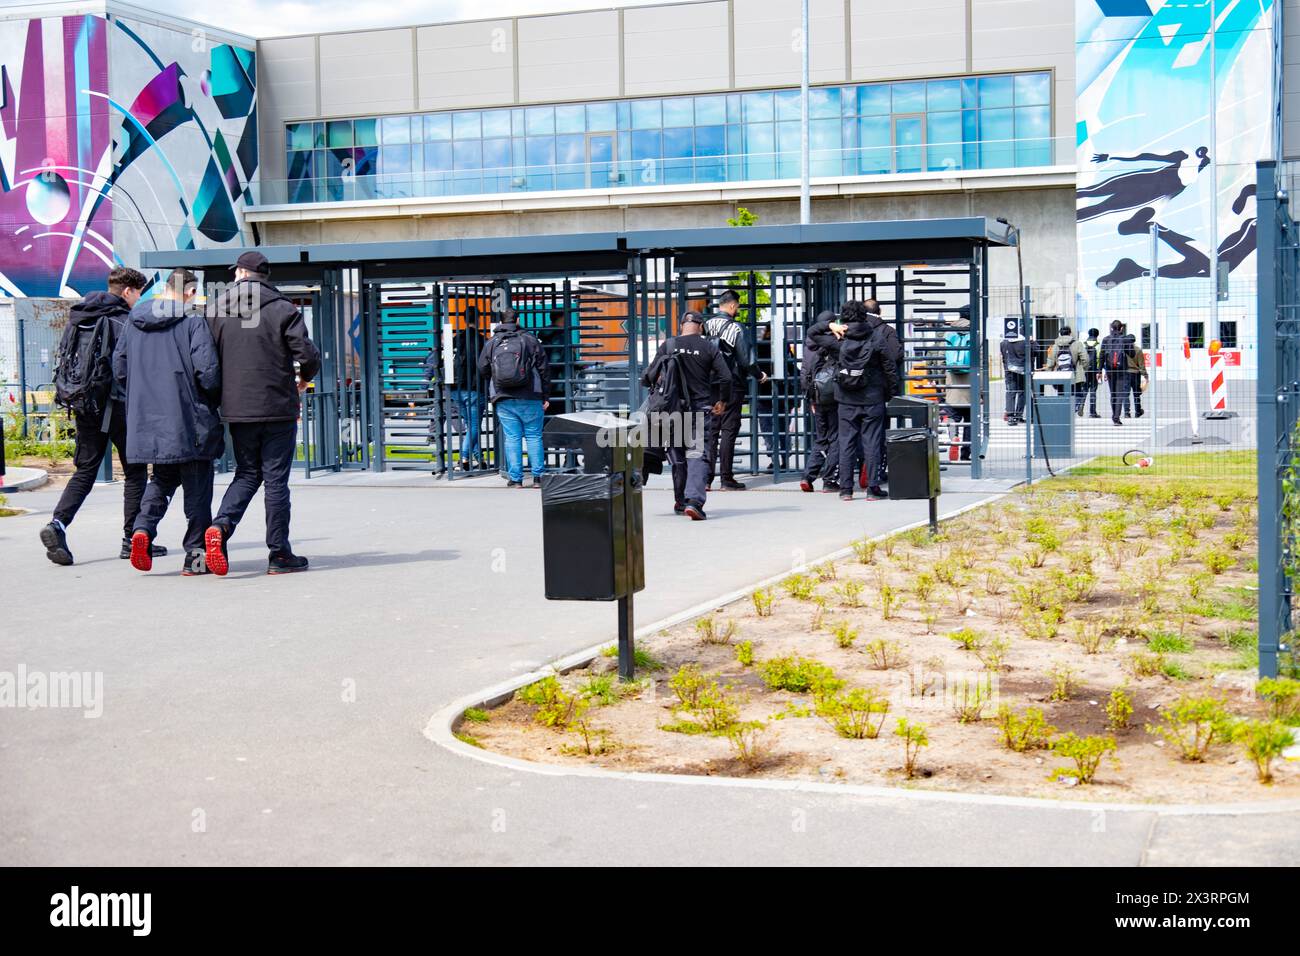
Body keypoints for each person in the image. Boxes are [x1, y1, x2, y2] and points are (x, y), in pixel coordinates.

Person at [204, 251, 321, 576]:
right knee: (275, 481)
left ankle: (221, 526)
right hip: (277, 407)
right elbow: (308, 355)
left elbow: (205, 361)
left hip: (237, 409)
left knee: (246, 473)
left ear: (242, 273)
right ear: (264, 276)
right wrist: (303, 379)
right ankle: (279, 554)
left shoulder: (215, 310)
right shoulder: (283, 308)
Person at [41, 267, 167, 566]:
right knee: (135, 472)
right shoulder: (124, 321)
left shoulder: (79, 318)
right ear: (127, 292)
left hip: (85, 405)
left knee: (85, 471)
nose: (139, 299)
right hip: (120, 406)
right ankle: (132, 540)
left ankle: (57, 524)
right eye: (138, 293)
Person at [112, 269, 223, 575]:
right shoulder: (192, 320)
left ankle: (142, 531)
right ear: (189, 292)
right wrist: (212, 401)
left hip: (150, 420)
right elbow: (208, 372)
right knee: (197, 489)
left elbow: (119, 368)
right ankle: (195, 559)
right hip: (190, 419)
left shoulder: (134, 321)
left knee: (161, 479)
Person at [641, 311, 731, 520]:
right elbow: (725, 377)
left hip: (671, 411)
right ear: (701, 326)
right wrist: (722, 401)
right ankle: (694, 502)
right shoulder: (709, 347)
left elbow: (648, 375)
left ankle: (681, 501)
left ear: (682, 325)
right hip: (698, 409)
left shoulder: (669, 345)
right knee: (697, 454)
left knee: (678, 456)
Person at [812, 300, 899, 502]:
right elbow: (890, 368)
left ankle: (846, 489)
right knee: (872, 443)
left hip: (845, 398)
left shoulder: (838, 339)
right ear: (864, 316)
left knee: (846, 442)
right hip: (873, 398)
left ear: (844, 316)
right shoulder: (876, 337)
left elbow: (812, 334)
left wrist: (829, 325)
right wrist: (890, 393)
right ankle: (872, 488)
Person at [703, 289, 767, 490]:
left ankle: (706, 479)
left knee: (712, 431)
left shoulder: (706, 325)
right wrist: (759, 375)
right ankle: (726, 478)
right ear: (732, 305)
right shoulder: (737, 328)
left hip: (709, 385)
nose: (737, 309)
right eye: (737, 306)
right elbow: (746, 359)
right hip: (731, 385)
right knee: (729, 430)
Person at [478, 307, 549, 488]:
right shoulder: (530, 340)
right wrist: (545, 395)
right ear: (517, 320)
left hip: (503, 397)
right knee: (534, 436)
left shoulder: (492, 342)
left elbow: (482, 368)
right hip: (530, 396)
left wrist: (497, 379)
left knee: (512, 438)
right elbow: (543, 368)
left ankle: (516, 479)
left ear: (501, 322)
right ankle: (538, 478)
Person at [799, 309, 840, 493]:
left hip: (816, 397)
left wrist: (810, 399)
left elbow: (804, 374)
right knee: (836, 438)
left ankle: (808, 476)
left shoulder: (808, 346)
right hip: (832, 397)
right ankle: (829, 479)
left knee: (821, 438)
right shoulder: (831, 344)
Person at [943, 307, 973, 463]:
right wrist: (980, 392)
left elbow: (941, 361)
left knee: (953, 417)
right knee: (970, 422)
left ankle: (953, 437)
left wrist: (942, 384)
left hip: (952, 385)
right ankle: (965, 452)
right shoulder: (975, 334)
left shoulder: (949, 333)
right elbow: (979, 366)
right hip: (969, 387)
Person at [1045, 324, 1088, 414]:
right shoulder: (1077, 344)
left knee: (1061, 394)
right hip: (1075, 374)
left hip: (1061, 375)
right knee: (1077, 392)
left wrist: (1048, 372)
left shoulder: (1055, 345)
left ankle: (1063, 411)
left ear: (1060, 334)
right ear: (1070, 333)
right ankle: (1075, 407)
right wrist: (1084, 368)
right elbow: (1085, 359)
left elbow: (1051, 361)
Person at [1099, 320, 1132, 426]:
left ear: (1111, 328)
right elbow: (1132, 354)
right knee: (1119, 394)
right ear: (1122, 328)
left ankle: (1114, 414)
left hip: (1109, 370)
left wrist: (1099, 370)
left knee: (1113, 393)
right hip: (1121, 370)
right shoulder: (1125, 340)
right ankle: (1116, 418)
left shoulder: (1106, 339)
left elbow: (1102, 355)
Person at [999, 317, 1027, 426]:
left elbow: (1003, 356)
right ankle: (1018, 415)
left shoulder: (1004, 343)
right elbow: (1035, 351)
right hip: (1022, 370)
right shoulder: (1025, 342)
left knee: (1010, 392)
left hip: (1008, 370)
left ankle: (1010, 416)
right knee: (1022, 392)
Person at [1123, 324, 1147, 418]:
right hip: (1136, 374)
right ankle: (1138, 411)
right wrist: (1145, 375)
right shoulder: (1138, 350)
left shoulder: (1123, 350)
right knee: (1136, 394)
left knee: (1126, 394)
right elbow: (1141, 365)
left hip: (1126, 374)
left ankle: (1126, 413)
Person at [1080, 327, 1102, 418]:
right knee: (1093, 391)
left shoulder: (1083, 344)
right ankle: (1092, 412)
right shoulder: (1099, 345)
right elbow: (1100, 359)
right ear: (1097, 335)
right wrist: (1100, 371)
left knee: (1084, 390)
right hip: (1094, 371)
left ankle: (1081, 405)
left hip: (1084, 370)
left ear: (1088, 334)